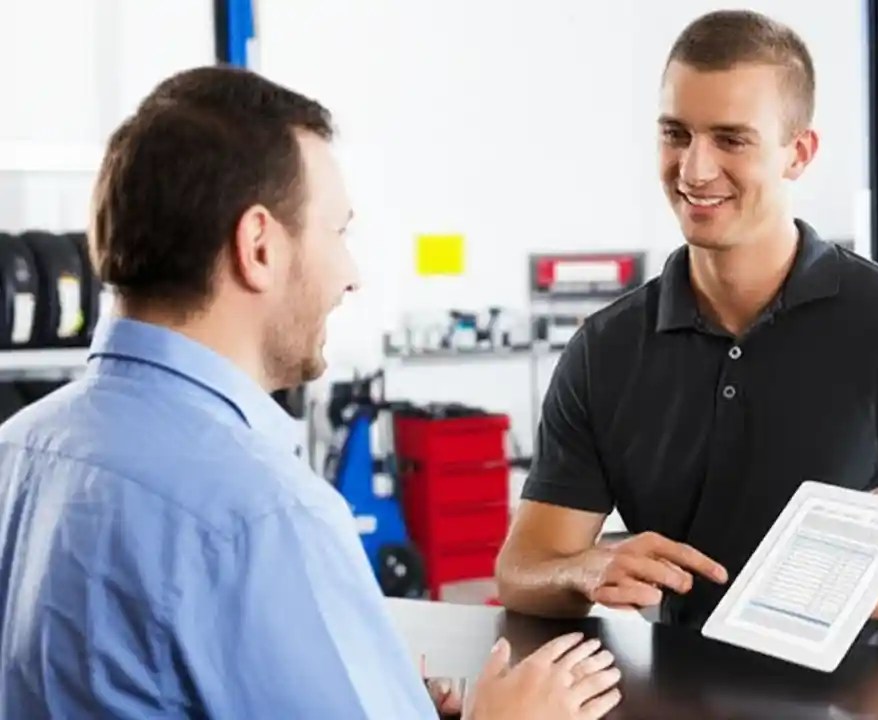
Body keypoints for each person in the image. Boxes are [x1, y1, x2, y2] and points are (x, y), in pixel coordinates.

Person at [0, 66, 620, 720]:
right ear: (259, 245)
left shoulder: (17, 451)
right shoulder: (262, 516)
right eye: (338, 232)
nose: (350, 276)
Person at [495, 10, 878, 639]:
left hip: (860, 704)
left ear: (798, 154)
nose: (694, 170)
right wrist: (584, 572)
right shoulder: (605, 350)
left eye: (731, 139)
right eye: (676, 134)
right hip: (679, 699)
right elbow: (523, 569)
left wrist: (860, 587)